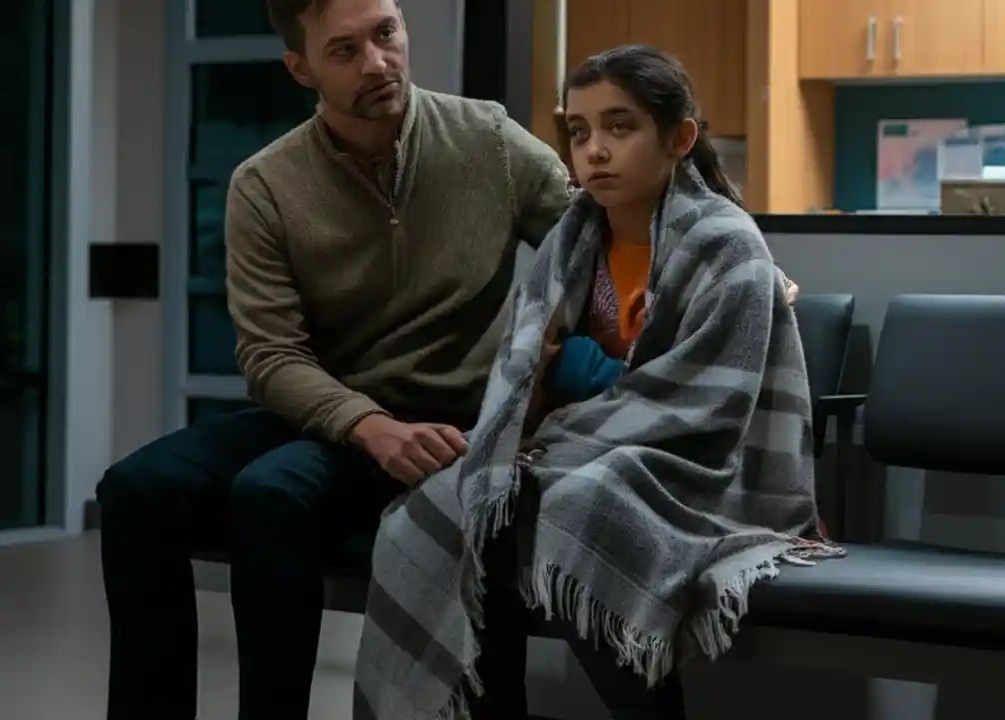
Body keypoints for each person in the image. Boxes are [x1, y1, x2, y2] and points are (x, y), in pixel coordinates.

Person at [93, 1, 573, 718]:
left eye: (386, 34)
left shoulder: (489, 139)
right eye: (343, 51)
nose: (377, 63)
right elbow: (270, 353)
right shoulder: (265, 185)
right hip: (329, 409)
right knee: (131, 491)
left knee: (269, 495)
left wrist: (721, 263)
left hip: (448, 412)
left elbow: (593, 242)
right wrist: (367, 425)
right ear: (301, 68)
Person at [353, 45, 841, 720]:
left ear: (680, 139)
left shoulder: (726, 244)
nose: (595, 150)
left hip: (697, 472)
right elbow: (526, 378)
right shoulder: (569, 239)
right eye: (579, 132)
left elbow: (707, 398)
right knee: (451, 499)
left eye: (621, 127)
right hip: (580, 455)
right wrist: (563, 392)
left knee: (584, 503)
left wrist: (580, 377)